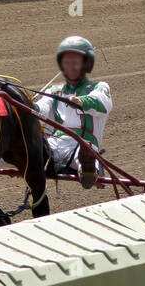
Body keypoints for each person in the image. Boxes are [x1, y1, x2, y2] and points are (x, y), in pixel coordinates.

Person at [36, 36, 113, 189]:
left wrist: (80, 101)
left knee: (84, 153)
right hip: (55, 144)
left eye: (76, 62)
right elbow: (40, 108)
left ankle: (89, 168)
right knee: (30, 148)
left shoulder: (99, 87)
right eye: (67, 62)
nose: (71, 66)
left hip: (82, 144)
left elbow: (101, 102)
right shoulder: (54, 91)